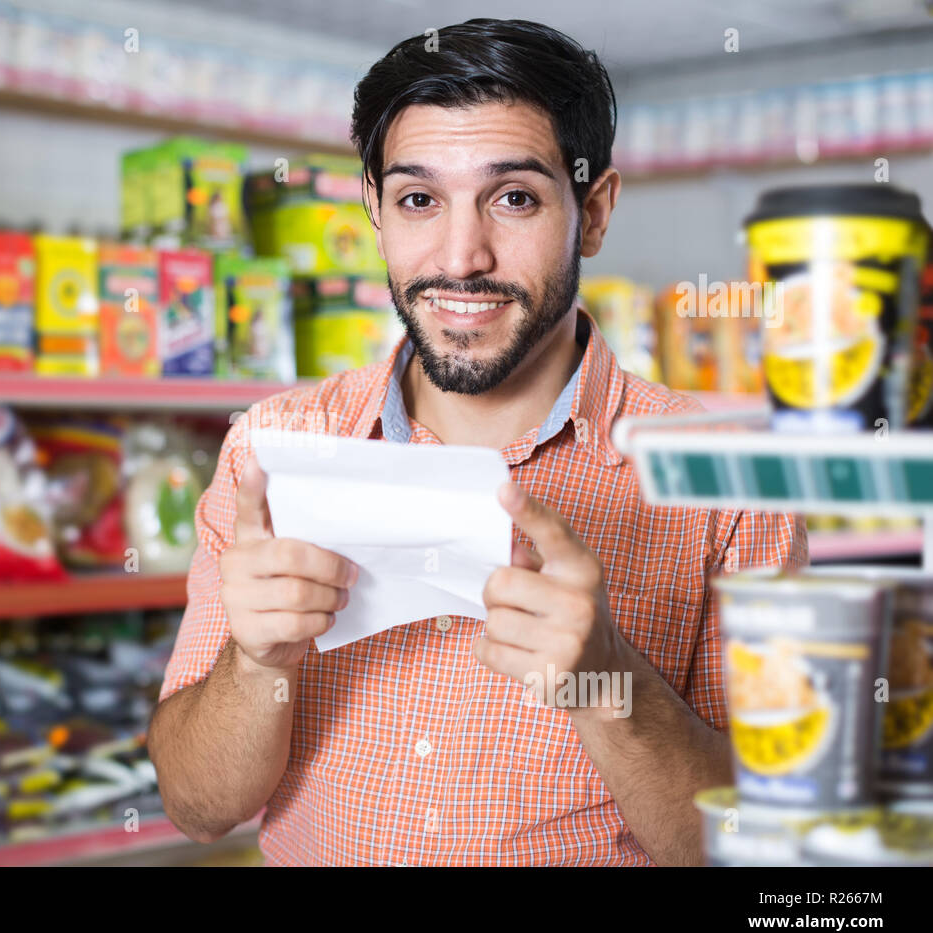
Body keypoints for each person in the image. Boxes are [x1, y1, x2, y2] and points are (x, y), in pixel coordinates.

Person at [147, 18, 807, 866]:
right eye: (419, 199)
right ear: (375, 213)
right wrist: (256, 662)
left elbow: (765, 850)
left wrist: (607, 686)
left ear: (594, 212)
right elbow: (198, 808)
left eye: (515, 198)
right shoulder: (272, 450)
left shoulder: (729, 481)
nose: (461, 258)